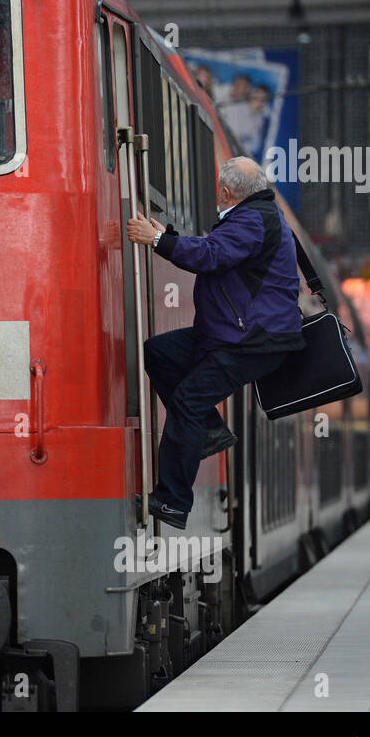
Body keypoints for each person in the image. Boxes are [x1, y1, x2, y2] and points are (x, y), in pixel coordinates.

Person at [125, 157, 306, 530]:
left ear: (225, 192)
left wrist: (158, 240)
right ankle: (209, 430)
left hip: (250, 341)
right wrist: (170, 234)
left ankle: (173, 502)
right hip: (231, 335)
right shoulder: (258, 217)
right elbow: (218, 248)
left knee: (188, 402)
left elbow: (212, 255)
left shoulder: (252, 220)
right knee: (157, 353)